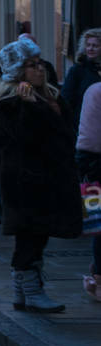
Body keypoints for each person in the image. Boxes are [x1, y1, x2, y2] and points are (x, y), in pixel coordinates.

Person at [0, 37, 82, 313]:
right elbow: (25, 139)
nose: (39, 69)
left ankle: (23, 291)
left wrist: (48, 108)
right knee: (30, 237)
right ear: (18, 73)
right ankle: (32, 292)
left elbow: (66, 135)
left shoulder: (51, 97)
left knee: (35, 238)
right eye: (31, 66)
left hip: (48, 181)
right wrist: (35, 107)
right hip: (26, 184)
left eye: (39, 64)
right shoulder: (11, 104)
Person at [73, 81, 101, 301]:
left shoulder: (93, 89)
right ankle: (98, 277)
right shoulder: (96, 91)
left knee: (98, 225)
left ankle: (97, 275)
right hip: (94, 165)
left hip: (89, 165)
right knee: (98, 225)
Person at [61, 28, 101, 129]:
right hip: (83, 123)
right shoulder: (77, 70)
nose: (90, 49)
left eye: (95, 46)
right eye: (88, 45)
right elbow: (66, 99)